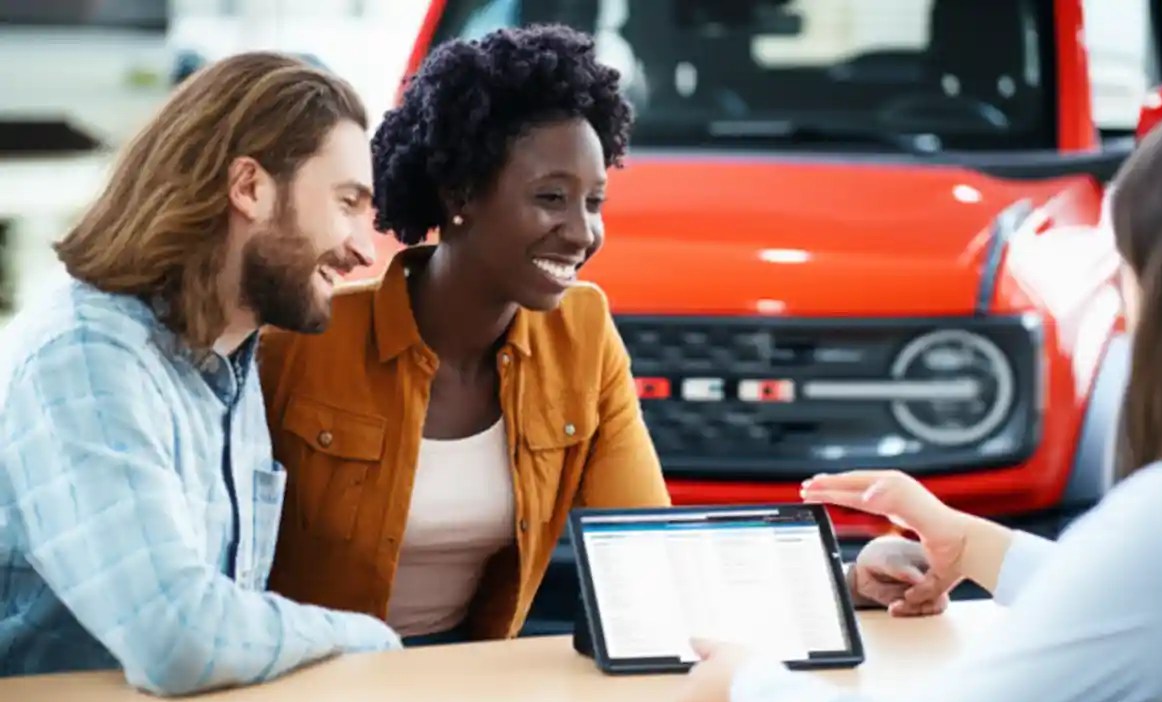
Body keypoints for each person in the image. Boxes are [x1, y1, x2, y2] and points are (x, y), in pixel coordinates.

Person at [258, 24, 937, 647]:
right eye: (551, 197)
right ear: (460, 193)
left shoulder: (581, 335)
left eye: (594, 201)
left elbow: (657, 556)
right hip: (303, 678)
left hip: (468, 678)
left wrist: (849, 585)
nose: (582, 233)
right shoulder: (303, 340)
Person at [677, 93, 1162, 702]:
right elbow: (1152, 607)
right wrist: (973, 545)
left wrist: (748, 688)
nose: (1127, 316)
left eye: (1131, 275)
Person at [0, 52, 401, 695]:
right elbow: (180, 638)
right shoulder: (83, 360)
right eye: (347, 202)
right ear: (248, 188)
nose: (363, 247)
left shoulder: (230, 362)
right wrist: (367, 638)